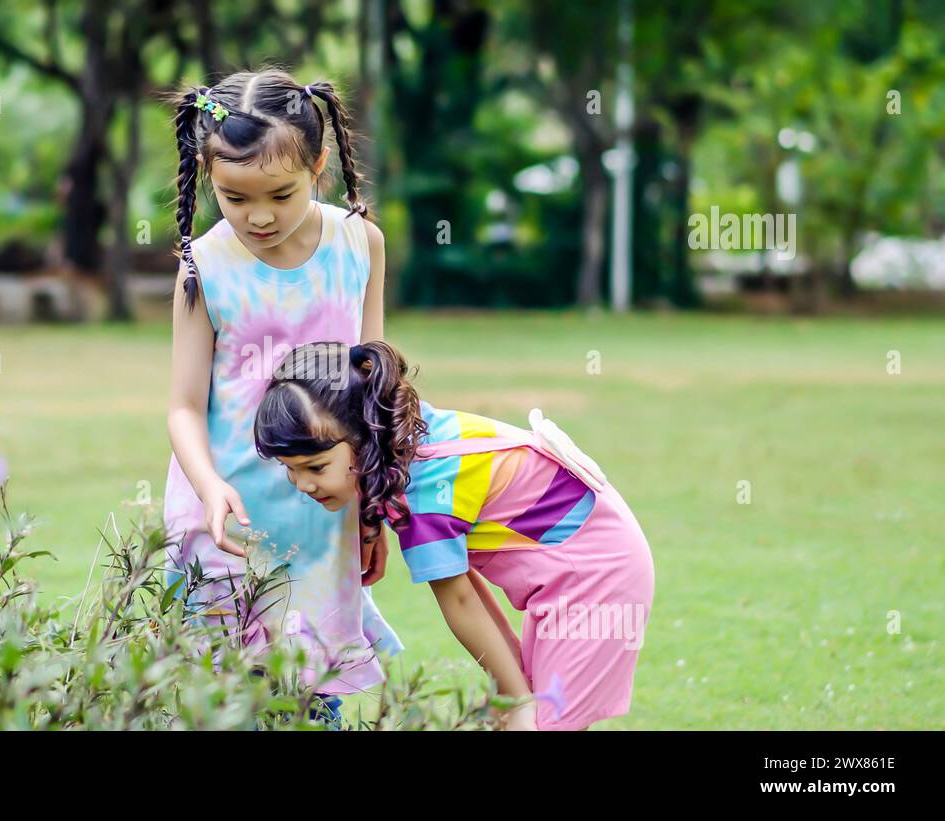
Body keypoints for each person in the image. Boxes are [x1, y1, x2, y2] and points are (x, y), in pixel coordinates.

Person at [252, 340, 657, 730]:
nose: (302, 484)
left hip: (597, 578)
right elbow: (468, 587)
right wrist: (512, 691)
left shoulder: (424, 491)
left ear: (361, 437)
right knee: (528, 709)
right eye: (290, 469)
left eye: (316, 467)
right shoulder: (410, 439)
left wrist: (515, 700)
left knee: (544, 720)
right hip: (580, 570)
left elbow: (459, 599)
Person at [161, 68, 403, 714]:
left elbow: (370, 389)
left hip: (323, 515)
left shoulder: (360, 244)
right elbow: (184, 406)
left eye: (279, 193)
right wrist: (210, 487)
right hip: (227, 520)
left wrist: (373, 506)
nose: (258, 216)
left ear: (319, 166)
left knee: (306, 700)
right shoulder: (205, 266)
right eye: (234, 198)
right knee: (219, 700)